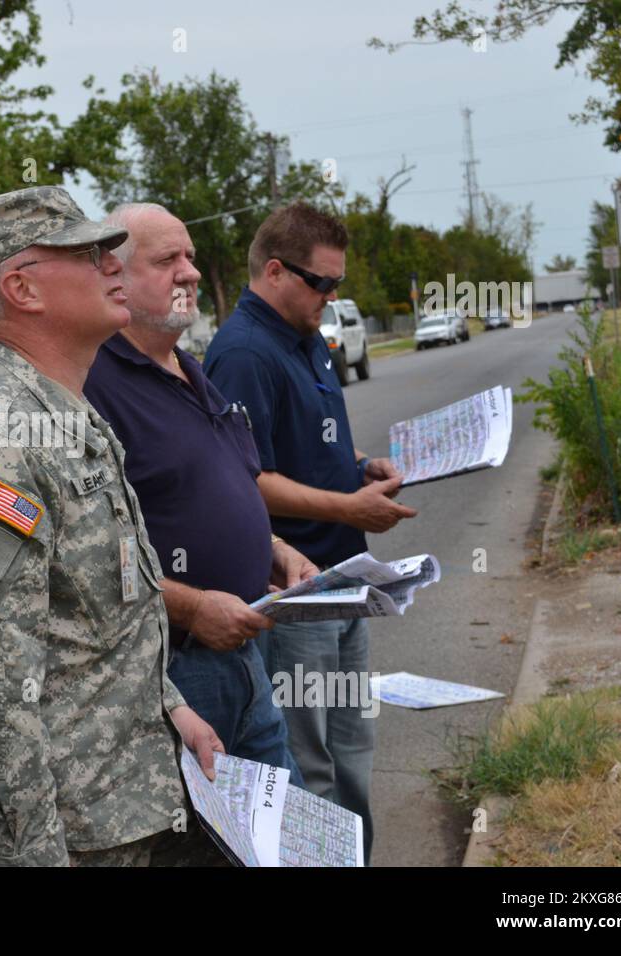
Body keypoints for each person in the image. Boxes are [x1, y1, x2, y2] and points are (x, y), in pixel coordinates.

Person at [0, 186, 226, 867]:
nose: (114, 263)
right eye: (88, 252)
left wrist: (172, 710)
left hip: (122, 812)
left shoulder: (60, 412)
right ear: (23, 288)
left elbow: (98, 619)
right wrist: (33, 852)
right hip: (69, 839)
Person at [204, 202, 418, 861]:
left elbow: (305, 454)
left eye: (337, 284)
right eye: (322, 283)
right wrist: (349, 509)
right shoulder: (242, 353)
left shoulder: (308, 340)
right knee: (309, 761)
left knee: (351, 749)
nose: (332, 296)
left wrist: (360, 471)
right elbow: (248, 480)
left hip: (344, 583)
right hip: (295, 594)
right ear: (274, 271)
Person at [83, 203, 317, 781]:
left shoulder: (191, 367)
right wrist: (192, 607)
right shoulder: (94, 382)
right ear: (116, 276)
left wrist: (277, 551)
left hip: (245, 653)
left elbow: (224, 489)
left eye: (190, 256)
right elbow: (87, 558)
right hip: (176, 669)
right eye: (167, 260)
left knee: (278, 825)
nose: (189, 272)